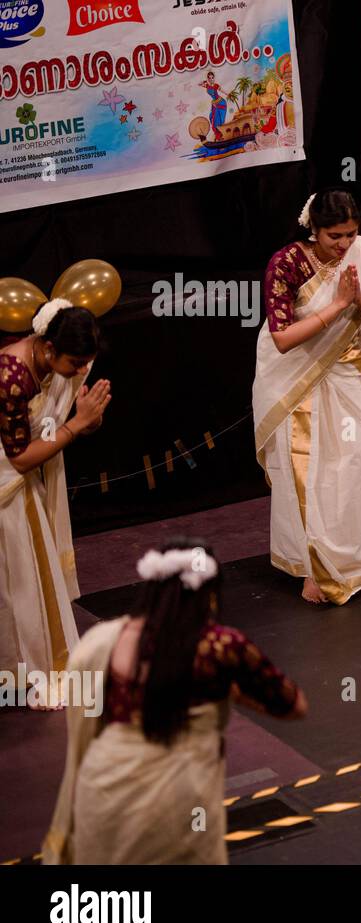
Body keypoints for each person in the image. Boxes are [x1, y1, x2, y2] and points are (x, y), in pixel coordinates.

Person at [43, 540, 307, 864]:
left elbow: (84, 720)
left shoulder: (101, 641)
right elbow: (293, 704)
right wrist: (234, 693)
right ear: (209, 593)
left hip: (103, 791)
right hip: (178, 801)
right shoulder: (219, 645)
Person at [252, 189, 361, 604]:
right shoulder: (286, 263)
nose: (344, 244)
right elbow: (282, 339)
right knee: (307, 475)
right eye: (335, 236)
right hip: (297, 382)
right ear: (313, 229)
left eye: (352, 234)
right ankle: (311, 570)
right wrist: (338, 307)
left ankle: (352, 567)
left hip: (349, 379)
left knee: (349, 475)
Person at [0, 301, 109, 708]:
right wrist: (75, 425)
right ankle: (28, 672)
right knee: (23, 581)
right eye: (76, 362)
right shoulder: (11, 376)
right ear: (47, 348)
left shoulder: (53, 364)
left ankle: (18, 672)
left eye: (88, 361)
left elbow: (55, 427)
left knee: (22, 578)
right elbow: (21, 457)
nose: (82, 370)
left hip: (15, 480)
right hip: (7, 477)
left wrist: (86, 419)